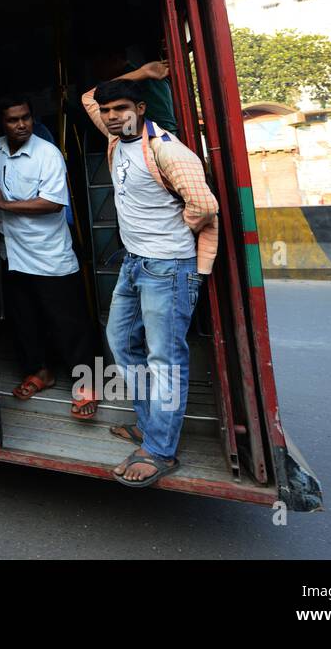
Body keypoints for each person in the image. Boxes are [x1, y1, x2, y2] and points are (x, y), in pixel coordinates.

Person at [81, 75, 219, 487]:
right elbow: (89, 93)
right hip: (133, 263)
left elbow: (204, 206)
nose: (110, 116)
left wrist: (174, 232)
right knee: (121, 342)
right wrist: (141, 73)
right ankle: (149, 424)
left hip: (170, 267)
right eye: (107, 111)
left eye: (121, 108)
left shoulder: (169, 152)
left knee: (165, 360)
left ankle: (160, 449)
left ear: (141, 109)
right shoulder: (115, 137)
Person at [0, 94, 98, 419]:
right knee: (25, 320)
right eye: (12, 119)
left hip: (50, 255)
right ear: (1, 124)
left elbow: (52, 202)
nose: (21, 124)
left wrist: (5, 205)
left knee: (69, 325)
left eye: (25, 117)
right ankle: (40, 372)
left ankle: (86, 385)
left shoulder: (47, 154)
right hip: (13, 254)